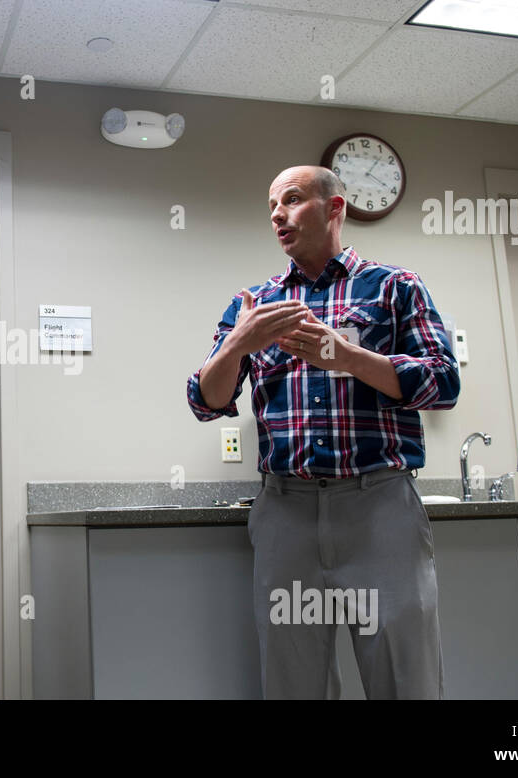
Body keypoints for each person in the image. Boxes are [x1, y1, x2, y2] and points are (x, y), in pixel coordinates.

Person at [187, 165, 460, 699]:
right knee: (294, 684)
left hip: (380, 509)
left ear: (335, 208)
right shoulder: (255, 305)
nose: (277, 215)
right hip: (285, 514)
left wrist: (350, 357)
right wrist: (236, 344)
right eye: (271, 206)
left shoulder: (394, 287)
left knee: (406, 679)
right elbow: (205, 401)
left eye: (291, 200)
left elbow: (444, 383)